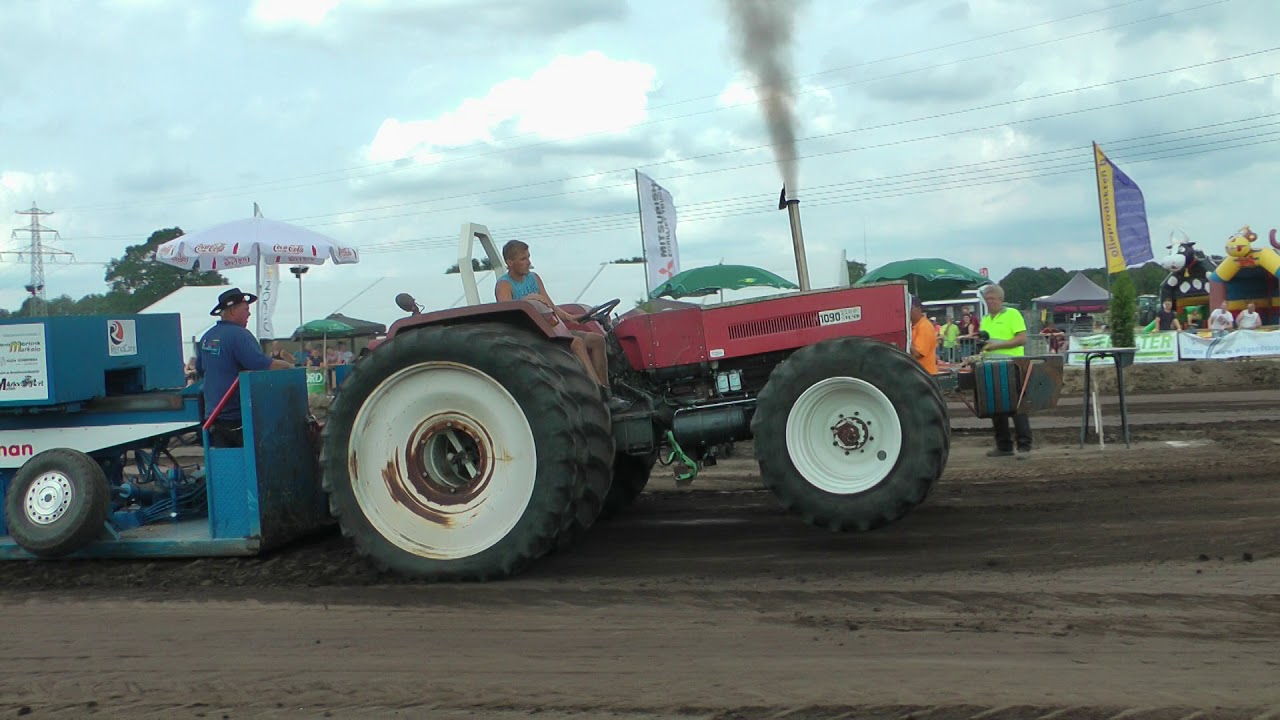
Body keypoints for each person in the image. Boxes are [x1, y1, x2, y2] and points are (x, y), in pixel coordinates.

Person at [495, 239, 627, 411]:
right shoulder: (504, 285)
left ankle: (607, 389)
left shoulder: (534, 278)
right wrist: (527, 300)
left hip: (552, 331)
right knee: (576, 342)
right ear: (510, 262)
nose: (529, 262)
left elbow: (550, 306)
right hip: (532, 337)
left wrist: (570, 318)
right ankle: (599, 395)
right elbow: (507, 313)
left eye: (528, 257)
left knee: (597, 340)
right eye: (523, 259)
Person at [195, 288, 293, 447]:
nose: (249, 314)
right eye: (246, 309)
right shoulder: (240, 335)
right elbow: (262, 365)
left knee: (222, 456)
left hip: (214, 416)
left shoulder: (207, 337)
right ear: (233, 311)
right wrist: (290, 367)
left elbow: (200, 368)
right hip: (238, 416)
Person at [978, 284, 1032, 458]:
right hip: (991, 366)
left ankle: (1024, 445)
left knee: (1017, 407)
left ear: (1001, 299)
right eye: (987, 299)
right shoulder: (985, 319)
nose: (990, 302)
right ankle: (1003, 446)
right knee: (996, 407)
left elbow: (1022, 339)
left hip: (1012, 365)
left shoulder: (1013, 314)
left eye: (992, 299)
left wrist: (997, 346)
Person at [909, 298, 938, 375]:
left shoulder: (925, 326)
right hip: (918, 373)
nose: (908, 312)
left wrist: (906, 340)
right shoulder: (914, 326)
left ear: (919, 309)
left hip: (925, 374)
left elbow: (918, 354)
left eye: (910, 308)